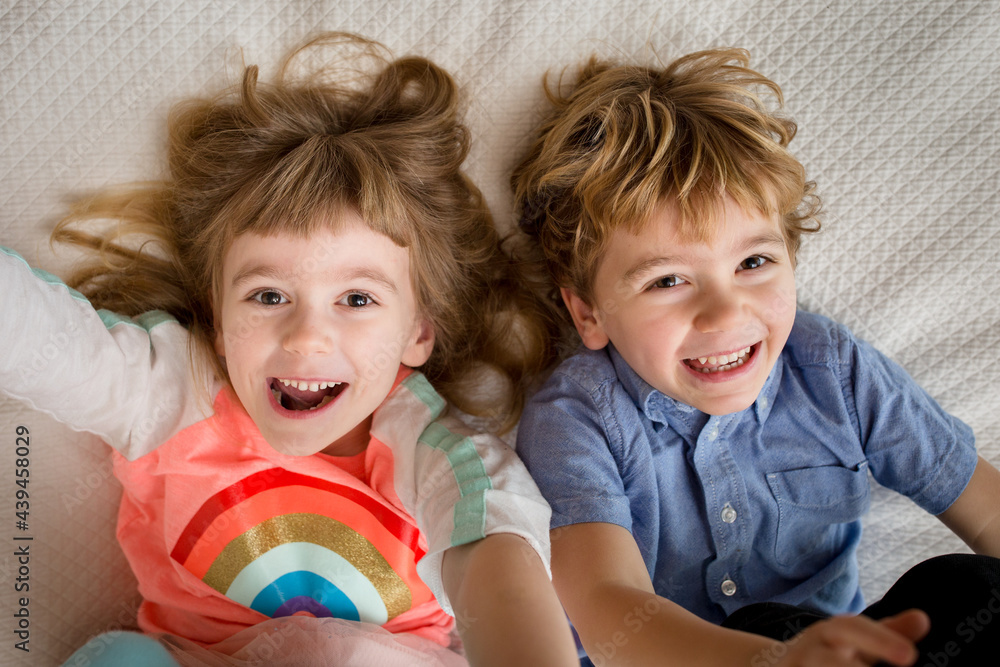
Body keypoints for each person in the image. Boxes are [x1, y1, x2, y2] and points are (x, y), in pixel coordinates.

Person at [0, 33, 577, 667]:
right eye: (268, 296)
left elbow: (495, 556)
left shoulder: (436, 453)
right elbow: (43, 338)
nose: (307, 336)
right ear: (219, 323)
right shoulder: (171, 397)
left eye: (357, 300)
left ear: (418, 332)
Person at [510, 47, 1000, 666]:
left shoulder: (835, 373)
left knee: (970, 586)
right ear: (588, 314)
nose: (725, 314)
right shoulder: (578, 420)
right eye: (667, 281)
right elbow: (604, 601)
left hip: (848, 652)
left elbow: (986, 507)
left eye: (753, 263)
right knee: (775, 626)